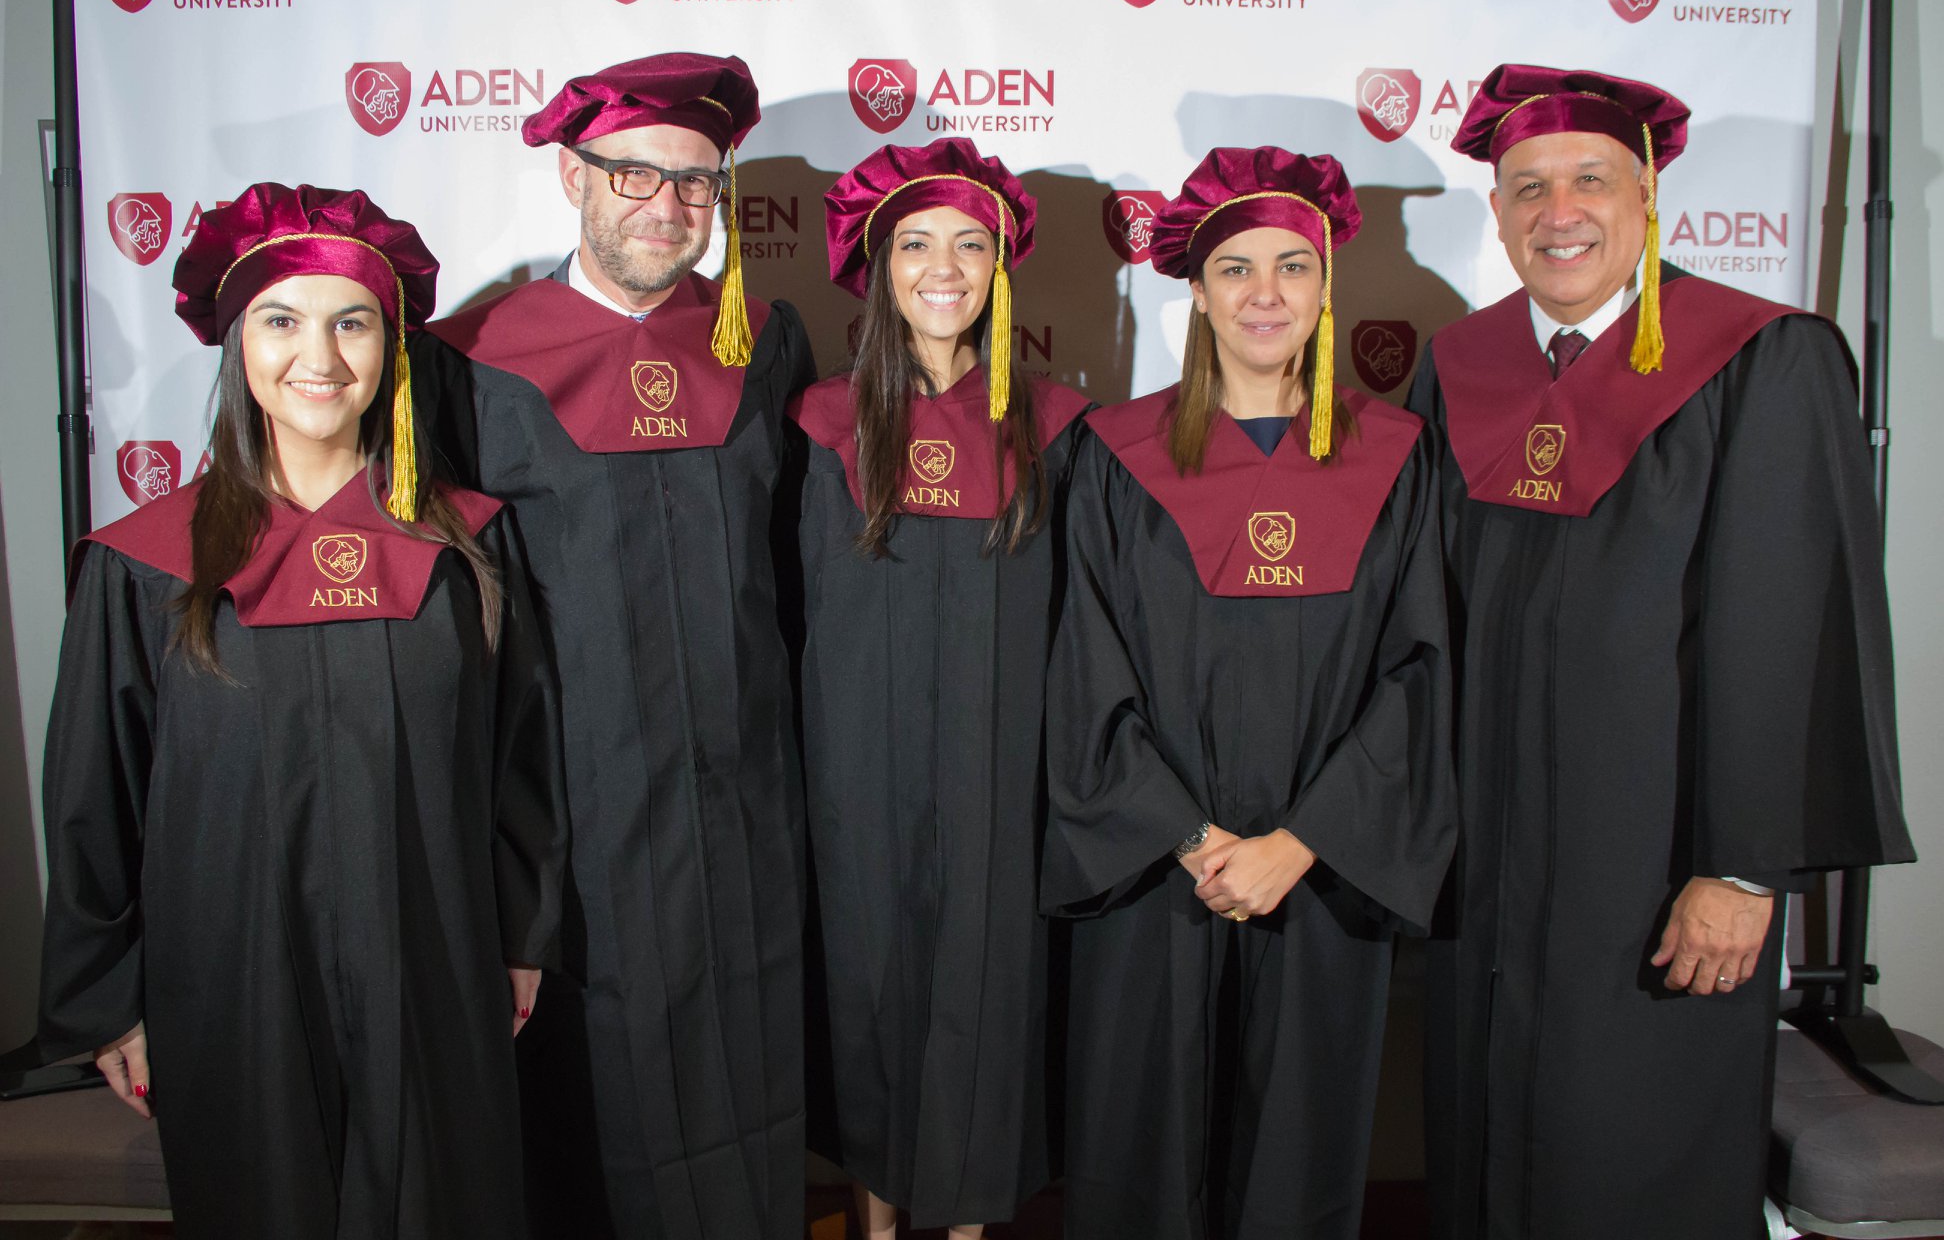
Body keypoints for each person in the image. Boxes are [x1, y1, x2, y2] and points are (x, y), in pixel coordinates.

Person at [1409, 63, 1915, 1240]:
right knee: (1481, 1145)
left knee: (1627, 1152)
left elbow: (1786, 631)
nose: (1558, 211)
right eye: (1526, 188)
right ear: (1496, 214)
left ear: (1649, 198)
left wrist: (1741, 872)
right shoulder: (1461, 368)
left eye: (1590, 178)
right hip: (1488, 863)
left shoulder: (1758, 358)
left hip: (1658, 863)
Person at [36, 183, 566, 1239]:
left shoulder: (466, 549)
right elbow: (97, 798)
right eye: (282, 319)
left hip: (435, 956)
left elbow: (522, 760)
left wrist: (521, 937)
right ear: (237, 344)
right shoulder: (147, 564)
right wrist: (110, 1000)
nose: (317, 356)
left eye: (351, 322)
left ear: (389, 348)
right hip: (229, 973)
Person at [413, 52, 817, 1239]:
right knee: (597, 1122)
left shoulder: (761, 346)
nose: (667, 205)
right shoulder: (470, 363)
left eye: (696, 184)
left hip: (749, 812)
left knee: (751, 1088)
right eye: (634, 173)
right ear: (570, 173)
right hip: (572, 827)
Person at [1041, 147, 1455, 1239]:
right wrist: (1187, 838)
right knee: (1141, 1145)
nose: (1264, 293)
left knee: (1298, 1159)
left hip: (1320, 879)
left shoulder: (1398, 456)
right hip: (1155, 875)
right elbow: (1086, 666)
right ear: (1196, 287)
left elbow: (1418, 676)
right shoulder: (1115, 456)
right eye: (1235, 268)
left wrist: (1299, 844)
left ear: (1327, 287)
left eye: (1291, 266)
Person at [788, 137, 1092, 1239]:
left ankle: (966, 1226)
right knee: (871, 988)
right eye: (916, 242)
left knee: (982, 994)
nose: (945, 266)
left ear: (1002, 269)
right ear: (878, 267)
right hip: (853, 776)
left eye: (972, 243)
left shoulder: (1059, 431)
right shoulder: (818, 427)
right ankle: (874, 1221)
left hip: (999, 776)